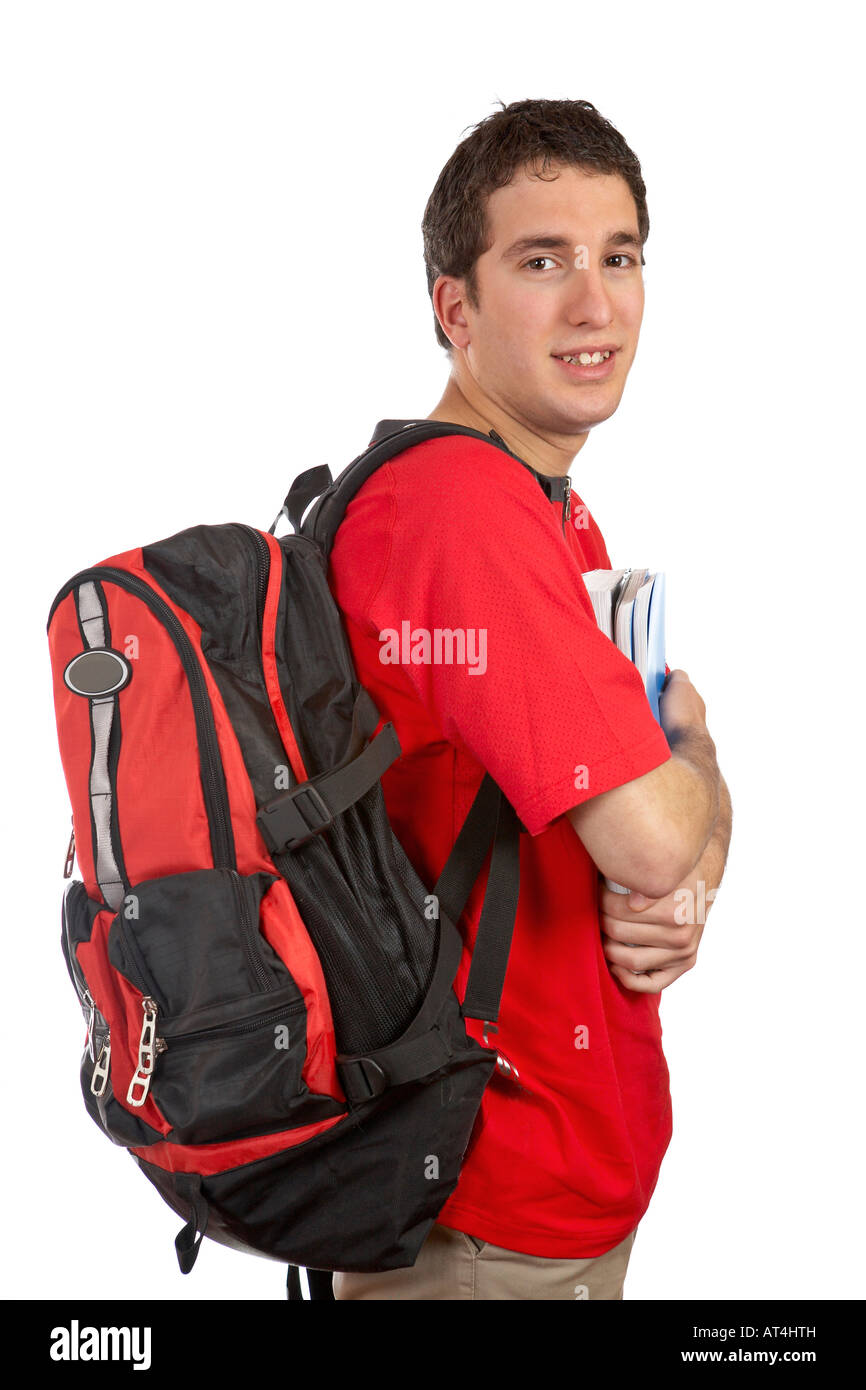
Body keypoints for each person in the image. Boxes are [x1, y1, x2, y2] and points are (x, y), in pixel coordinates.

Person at [327, 98, 732, 1300]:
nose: (593, 303)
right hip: (480, 1211)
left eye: (618, 257)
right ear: (454, 307)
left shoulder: (546, 504)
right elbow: (657, 833)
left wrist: (683, 874)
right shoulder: (461, 513)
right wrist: (695, 744)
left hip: (557, 1181)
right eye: (541, 260)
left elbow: (662, 863)